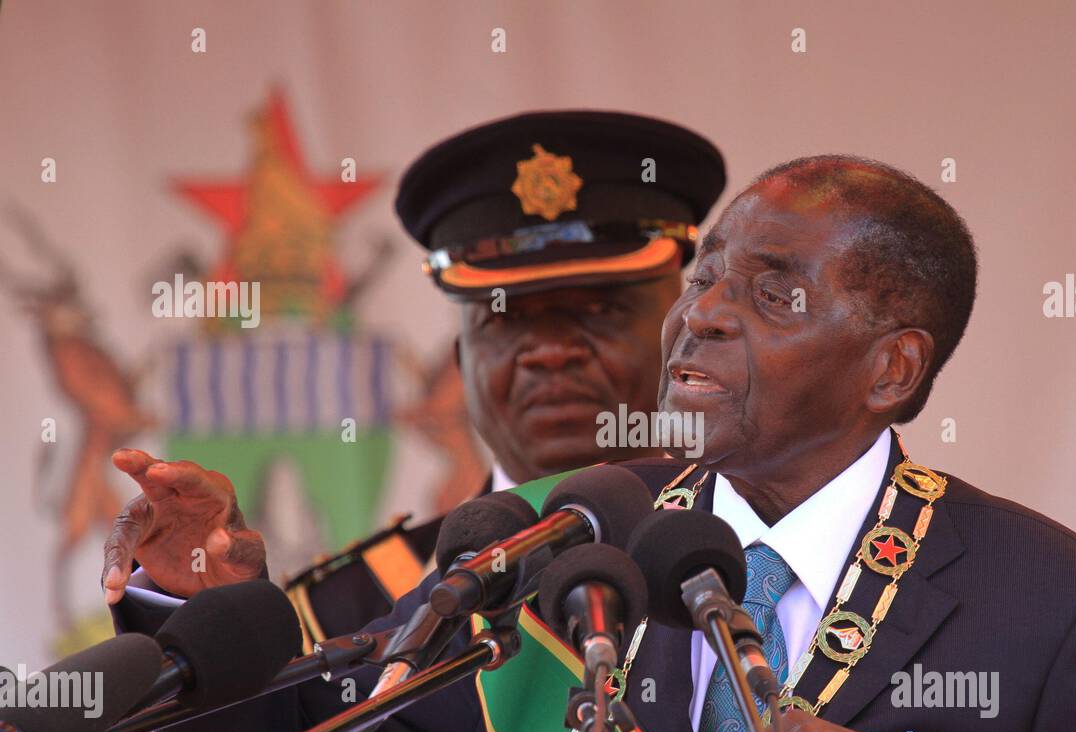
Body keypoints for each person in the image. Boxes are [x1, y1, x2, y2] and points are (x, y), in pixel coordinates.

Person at [137, 155, 1076, 732]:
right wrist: (205, 611)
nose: (704, 315)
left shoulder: (1058, 604)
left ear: (890, 368)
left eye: (772, 294)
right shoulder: (567, 541)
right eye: (709, 277)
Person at [101, 110, 726, 642]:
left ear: (683, 339)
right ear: (460, 364)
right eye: (507, 321)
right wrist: (204, 604)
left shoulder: (764, 553)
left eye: (599, 310)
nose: (549, 353)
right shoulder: (354, 606)